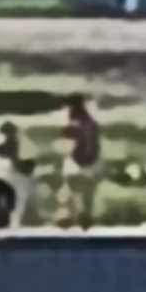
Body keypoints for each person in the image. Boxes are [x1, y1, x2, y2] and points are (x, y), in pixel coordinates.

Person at [59, 96, 101, 229]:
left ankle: (68, 216)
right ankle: (84, 217)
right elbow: (95, 144)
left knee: (71, 188)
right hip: (91, 162)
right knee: (87, 192)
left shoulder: (74, 124)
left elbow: (68, 143)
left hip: (76, 161)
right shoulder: (92, 124)